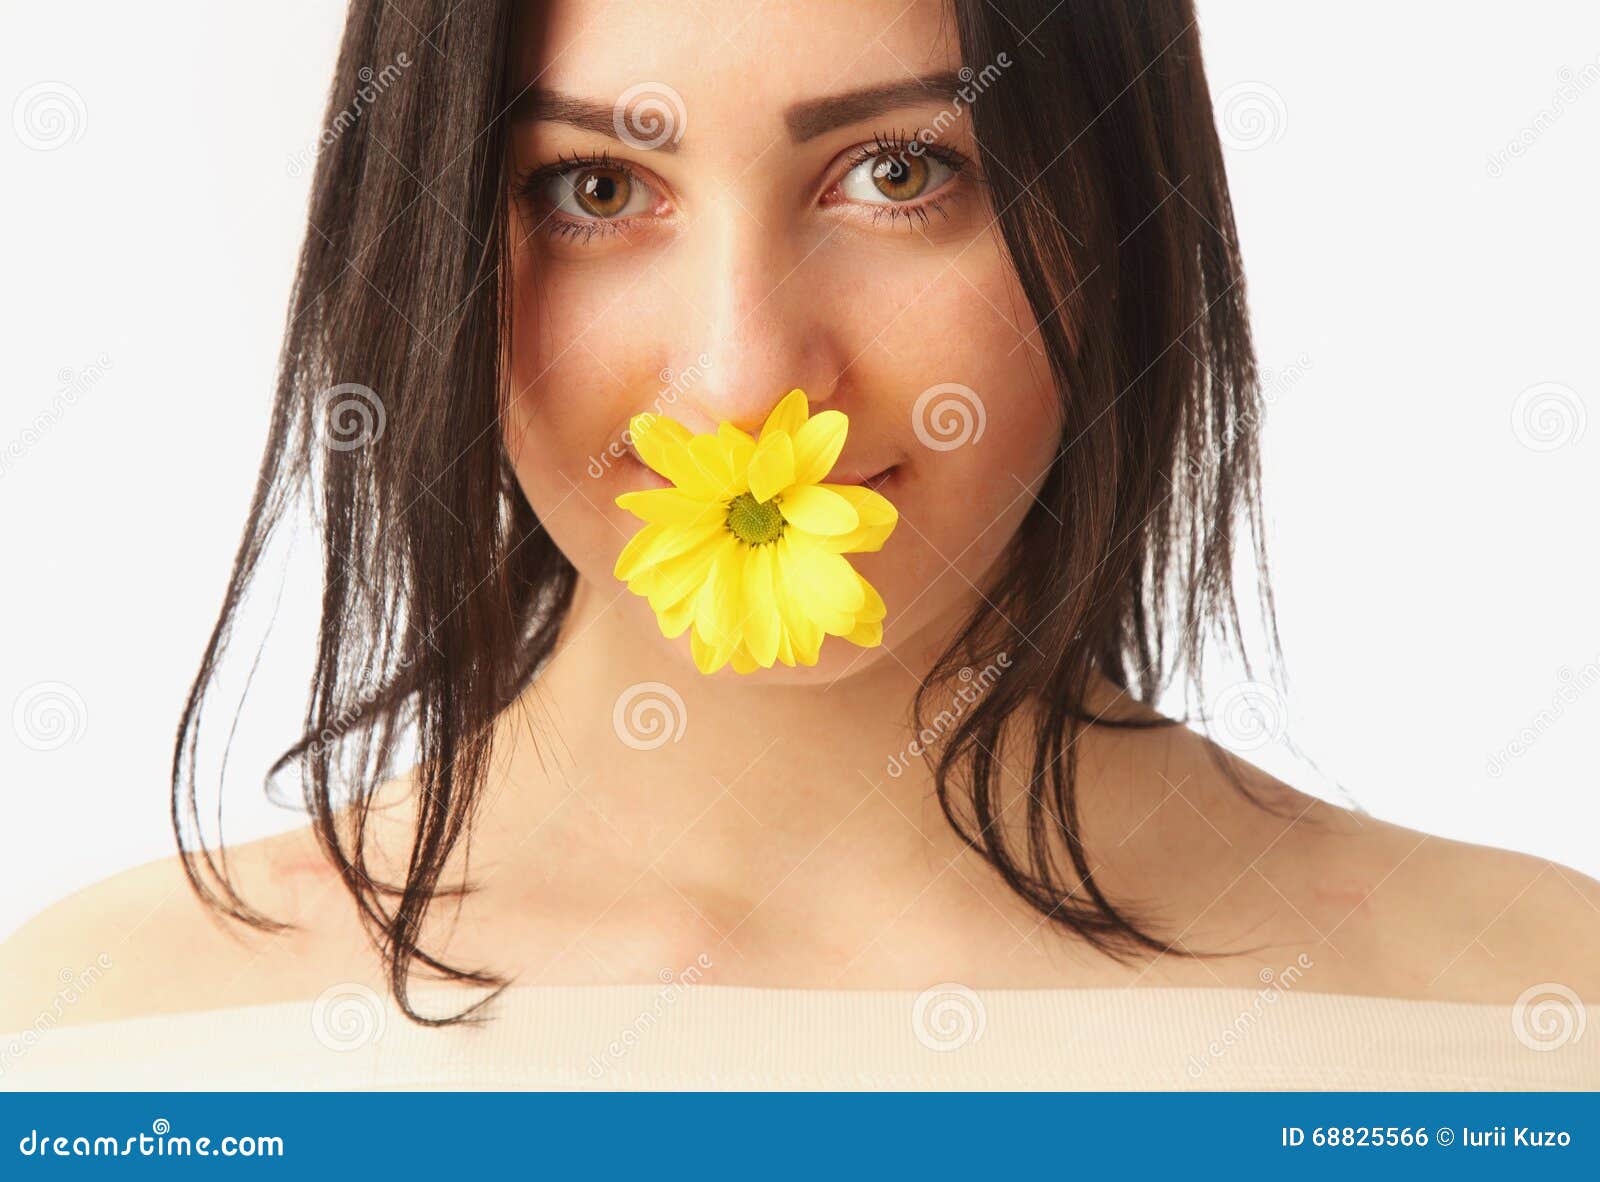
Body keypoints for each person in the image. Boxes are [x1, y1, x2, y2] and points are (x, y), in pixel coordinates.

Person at [3, 0, 1596, 1090]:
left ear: (1117, 205)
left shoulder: (1530, 1023)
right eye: (596, 186)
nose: (742, 383)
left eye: (900, 171)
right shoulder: (102, 1053)